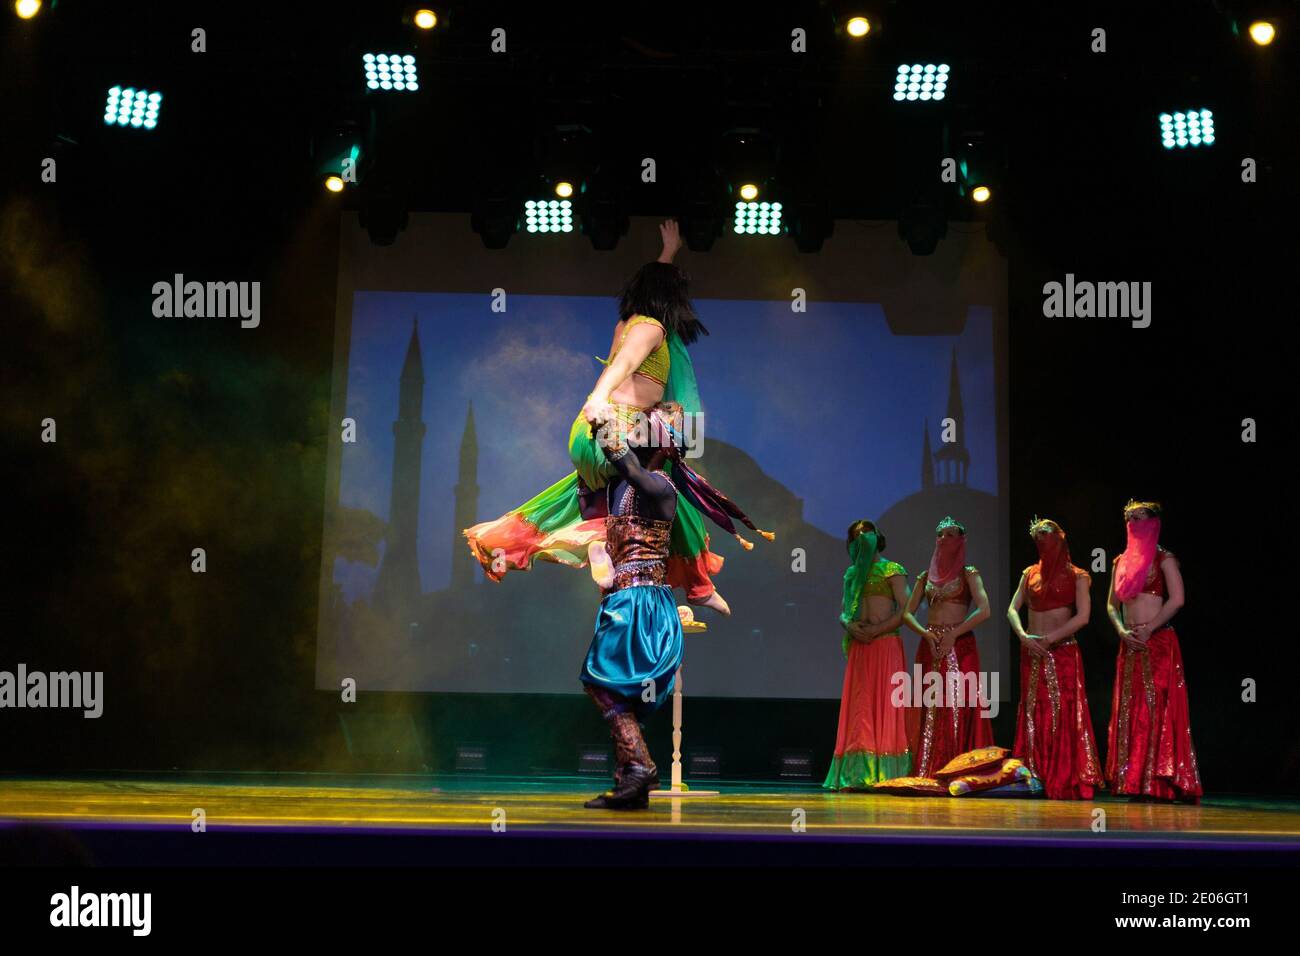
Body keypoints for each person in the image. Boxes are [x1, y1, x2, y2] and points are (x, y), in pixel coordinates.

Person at [464, 221, 772, 614]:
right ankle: (697, 586)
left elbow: (640, 317)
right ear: (668, 300)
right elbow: (624, 363)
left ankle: (597, 546)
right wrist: (599, 398)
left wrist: (667, 253)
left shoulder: (628, 323)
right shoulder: (651, 327)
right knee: (674, 485)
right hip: (617, 423)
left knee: (614, 498)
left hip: (594, 432)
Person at [580, 401, 688, 809]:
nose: (638, 429)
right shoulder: (620, 486)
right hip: (622, 600)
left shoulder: (659, 487)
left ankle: (640, 767)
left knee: (599, 681)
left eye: (648, 426)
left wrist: (603, 422)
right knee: (619, 693)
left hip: (642, 603)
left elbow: (627, 465)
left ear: (666, 445)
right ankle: (631, 782)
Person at [1104, 500, 1202, 802]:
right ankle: (1134, 781)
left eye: (1139, 517)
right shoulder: (1121, 560)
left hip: (1157, 642)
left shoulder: (1163, 558)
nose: (1133, 522)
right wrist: (1122, 630)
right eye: (1128, 518)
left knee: (1155, 707)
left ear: (1153, 522)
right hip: (1130, 643)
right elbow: (1111, 604)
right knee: (1131, 710)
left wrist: (1151, 628)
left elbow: (1178, 599)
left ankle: (1159, 783)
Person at [1007, 517, 1103, 799]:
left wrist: (1049, 640)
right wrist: (1024, 636)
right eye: (1036, 535)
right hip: (1031, 652)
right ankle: (1033, 774)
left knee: (1062, 711)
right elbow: (1012, 609)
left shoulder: (1079, 575)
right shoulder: (1029, 574)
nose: (1040, 539)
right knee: (1033, 710)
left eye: (1046, 533)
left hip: (1061, 652)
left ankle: (1062, 776)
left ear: (1060, 537)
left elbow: (1083, 617)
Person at [901, 516, 995, 777]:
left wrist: (955, 633)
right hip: (930, 643)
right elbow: (907, 614)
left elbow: (984, 610)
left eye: (950, 534)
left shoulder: (968, 574)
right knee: (929, 703)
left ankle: (956, 768)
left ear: (961, 540)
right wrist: (925, 634)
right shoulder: (924, 577)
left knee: (957, 702)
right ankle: (928, 767)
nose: (943, 539)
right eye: (940, 534)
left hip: (959, 643)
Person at [823, 520, 913, 789]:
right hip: (860, 647)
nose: (861, 540)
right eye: (855, 537)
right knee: (859, 708)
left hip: (885, 646)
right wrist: (849, 625)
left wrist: (877, 630)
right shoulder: (851, 574)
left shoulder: (892, 570)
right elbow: (843, 610)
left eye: (866, 535)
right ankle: (855, 774)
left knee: (885, 704)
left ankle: (885, 774)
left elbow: (907, 611)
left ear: (877, 538)